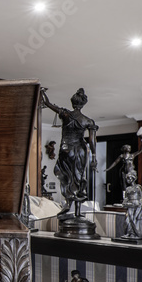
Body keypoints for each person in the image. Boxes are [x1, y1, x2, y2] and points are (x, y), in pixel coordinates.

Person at [41, 88, 98, 218]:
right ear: (83, 104)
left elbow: (47, 103)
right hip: (80, 151)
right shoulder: (88, 121)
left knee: (65, 178)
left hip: (65, 149)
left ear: (72, 103)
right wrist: (93, 157)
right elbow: (91, 141)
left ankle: (67, 203)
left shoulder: (65, 114)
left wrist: (41, 91)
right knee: (78, 179)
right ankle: (77, 212)